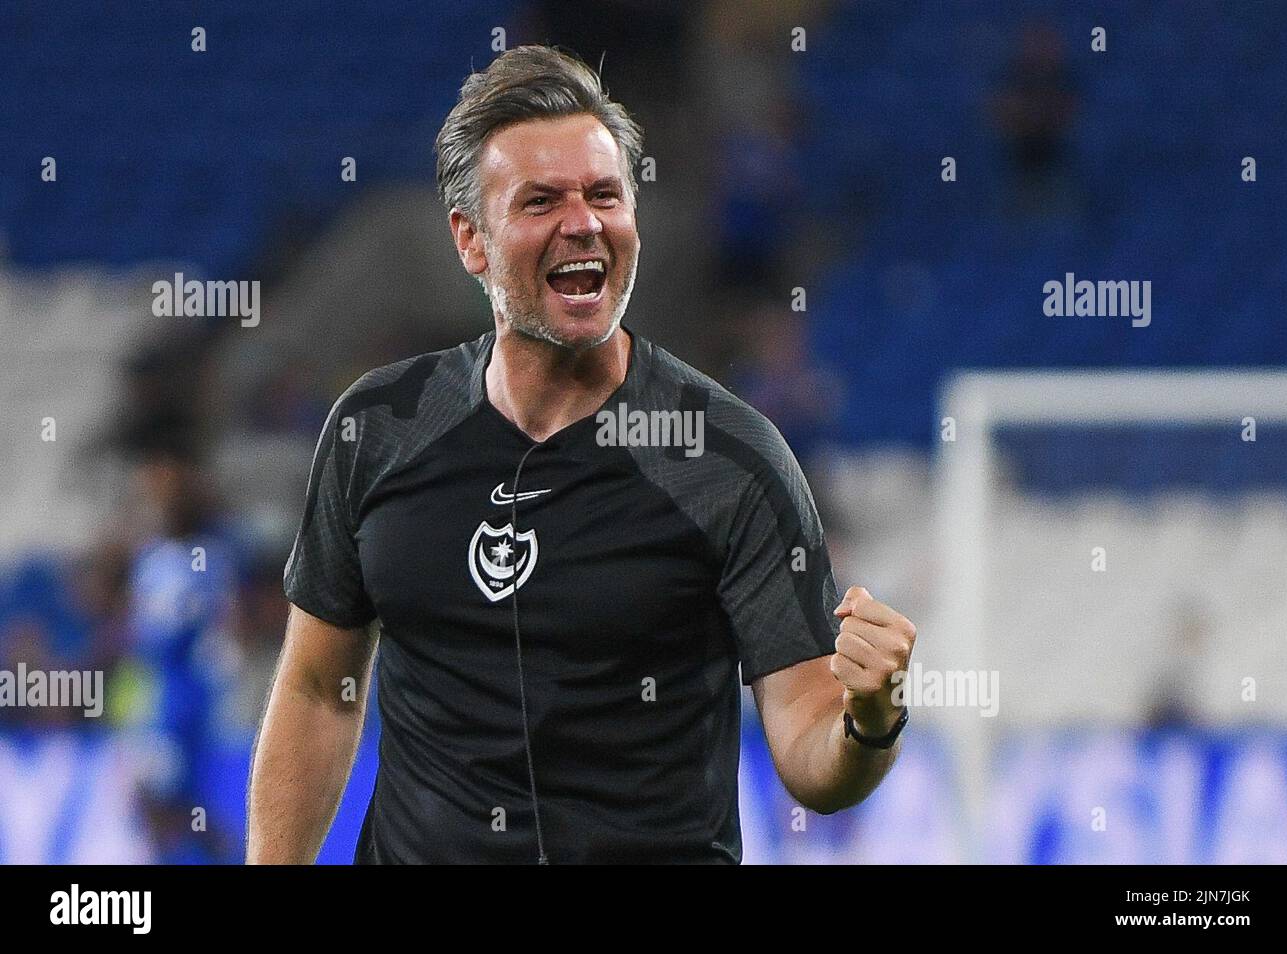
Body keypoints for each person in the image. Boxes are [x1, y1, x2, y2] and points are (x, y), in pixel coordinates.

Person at [247, 45, 916, 864]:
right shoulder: (376, 431)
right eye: (542, 201)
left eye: (606, 195)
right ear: (472, 240)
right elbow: (318, 689)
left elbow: (814, 759)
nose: (584, 223)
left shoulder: (731, 460)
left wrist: (870, 722)